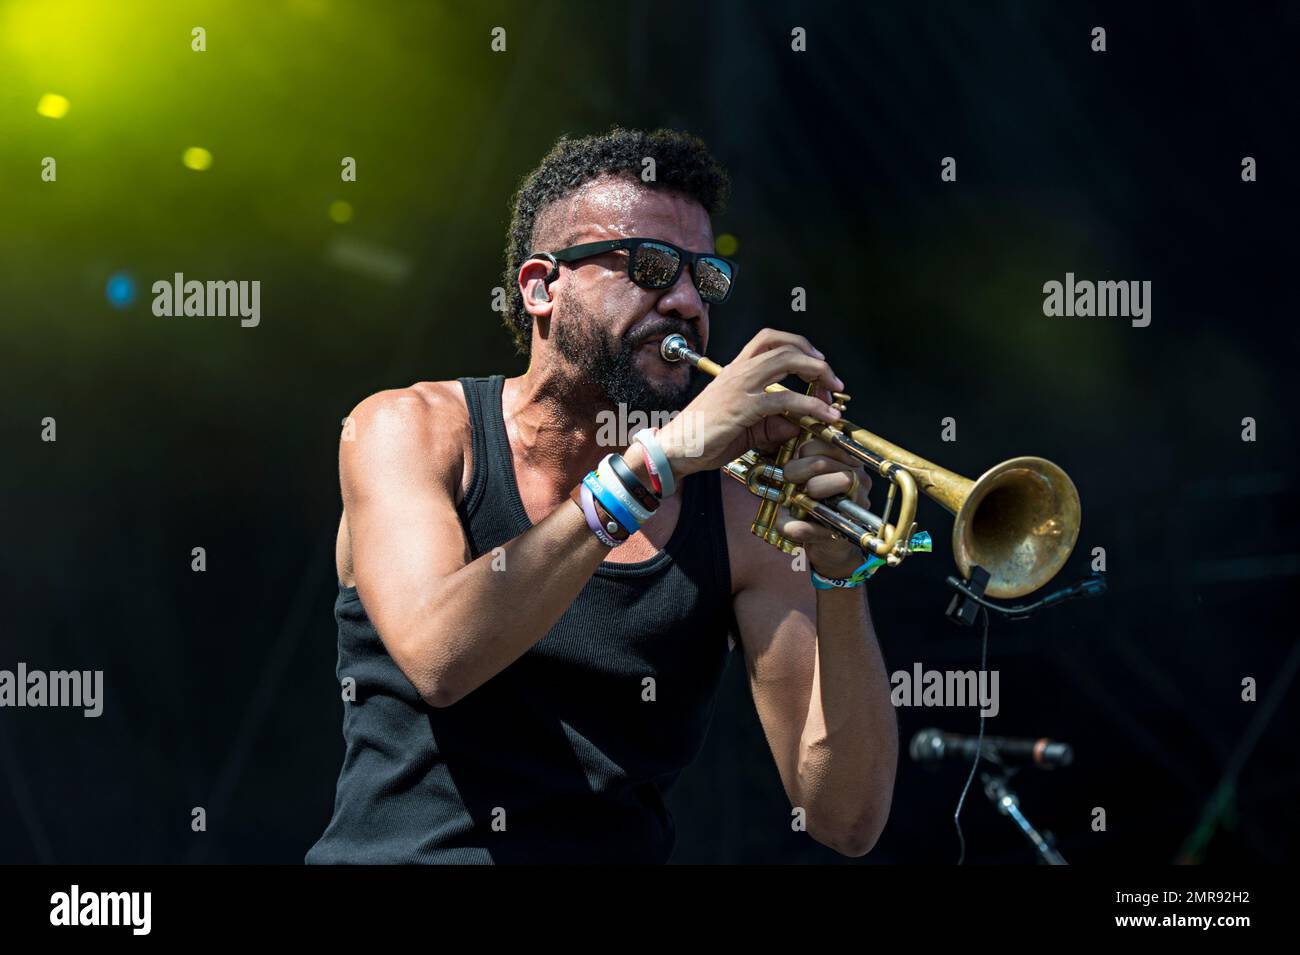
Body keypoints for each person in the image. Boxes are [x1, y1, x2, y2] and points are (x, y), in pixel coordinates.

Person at [306, 127, 897, 864]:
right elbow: (441, 660)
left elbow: (847, 818)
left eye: (705, 278)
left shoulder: (740, 514)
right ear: (541, 287)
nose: (686, 301)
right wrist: (662, 462)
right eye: (650, 267)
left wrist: (843, 574)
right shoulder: (407, 429)